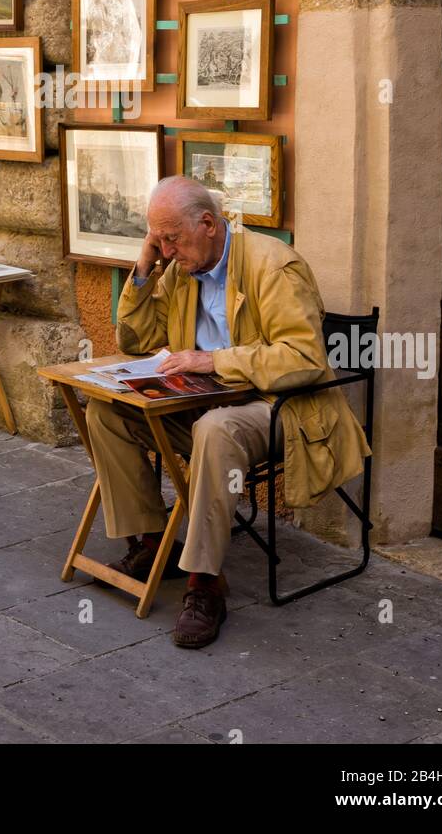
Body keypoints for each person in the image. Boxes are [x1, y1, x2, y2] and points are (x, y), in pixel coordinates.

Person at [85, 175, 371, 649]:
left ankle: (204, 582)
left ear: (208, 223)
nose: (169, 250)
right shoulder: (177, 269)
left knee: (216, 432)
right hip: (203, 401)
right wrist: (142, 269)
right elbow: (133, 341)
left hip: (281, 408)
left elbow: (303, 359)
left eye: (172, 238)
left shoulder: (274, 266)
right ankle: (154, 543)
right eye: (160, 240)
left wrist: (212, 360)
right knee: (106, 412)